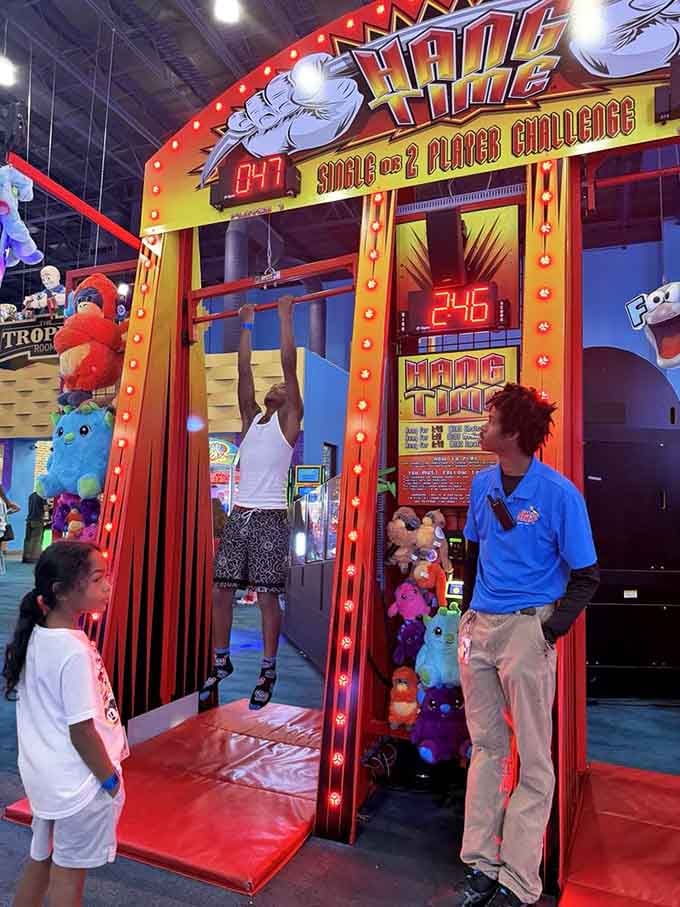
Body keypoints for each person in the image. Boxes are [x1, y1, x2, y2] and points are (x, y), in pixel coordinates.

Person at [457, 384, 599, 907]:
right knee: (488, 748)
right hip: (482, 628)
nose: (482, 423)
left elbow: (587, 576)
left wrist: (546, 631)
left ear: (513, 432)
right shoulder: (481, 484)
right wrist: (469, 615)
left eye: (490, 417)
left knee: (535, 759)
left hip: (527, 629)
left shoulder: (559, 495)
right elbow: (474, 550)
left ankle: (518, 881)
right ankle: (481, 864)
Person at [2, 542, 129, 907]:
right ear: (61, 591)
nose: (107, 586)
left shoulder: (39, 636)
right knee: (68, 879)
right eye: (97, 579)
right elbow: (82, 730)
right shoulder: (73, 650)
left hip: (48, 783)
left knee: (40, 863)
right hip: (80, 787)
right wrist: (109, 781)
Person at [200, 295, 303, 711]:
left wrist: (283, 316)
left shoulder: (289, 420)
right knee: (220, 589)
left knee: (265, 597)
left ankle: (269, 667)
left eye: (281, 387)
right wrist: (245, 325)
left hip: (270, 518)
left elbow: (288, 364)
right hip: (241, 515)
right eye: (273, 387)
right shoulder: (251, 420)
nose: (275, 387)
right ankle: (221, 660)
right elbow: (243, 372)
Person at [23, 491, 46, 563]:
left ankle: (26, 557)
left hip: (29, 519)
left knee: (27, 539)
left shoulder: (31, 496)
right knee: (36, 539)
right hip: (38, 520)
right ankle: (33, 558)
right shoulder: (42, 495)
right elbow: (45, 508)